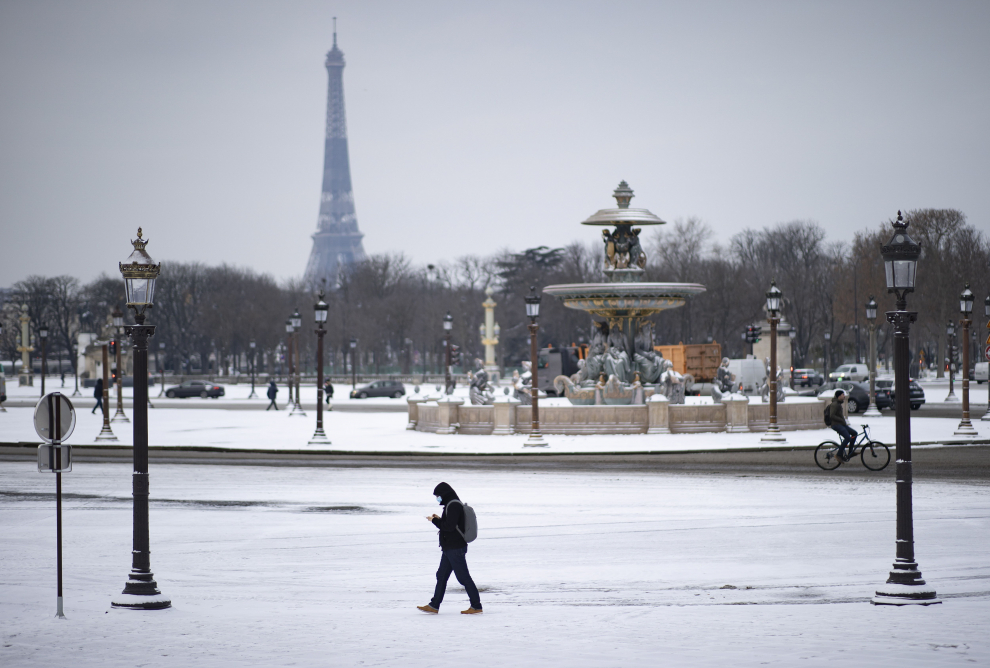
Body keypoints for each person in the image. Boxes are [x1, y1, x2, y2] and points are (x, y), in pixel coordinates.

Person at [417, 482, 482, 615]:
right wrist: (439, 519)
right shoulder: (451, 504)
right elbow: (451, 524)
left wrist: (434, 521)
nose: (437, 498)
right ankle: (434, 605)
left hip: (455, 548)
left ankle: (476, 606)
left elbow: (449, 527)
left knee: (463, 578)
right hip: (449, 548)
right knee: (441, 575)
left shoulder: (453, 505)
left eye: (438, 495)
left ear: (444, 494)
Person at [829, 389, 856, 460]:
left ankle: (850, 452)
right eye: (843, 395)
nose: (844, 396)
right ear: (839, 396)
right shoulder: (835, 404)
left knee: (854, 433)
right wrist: (841, 420)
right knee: (847, 438)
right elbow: (832, 415)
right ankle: (839, 454)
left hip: (841, 424)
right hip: (836, 425)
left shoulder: (838, 403)